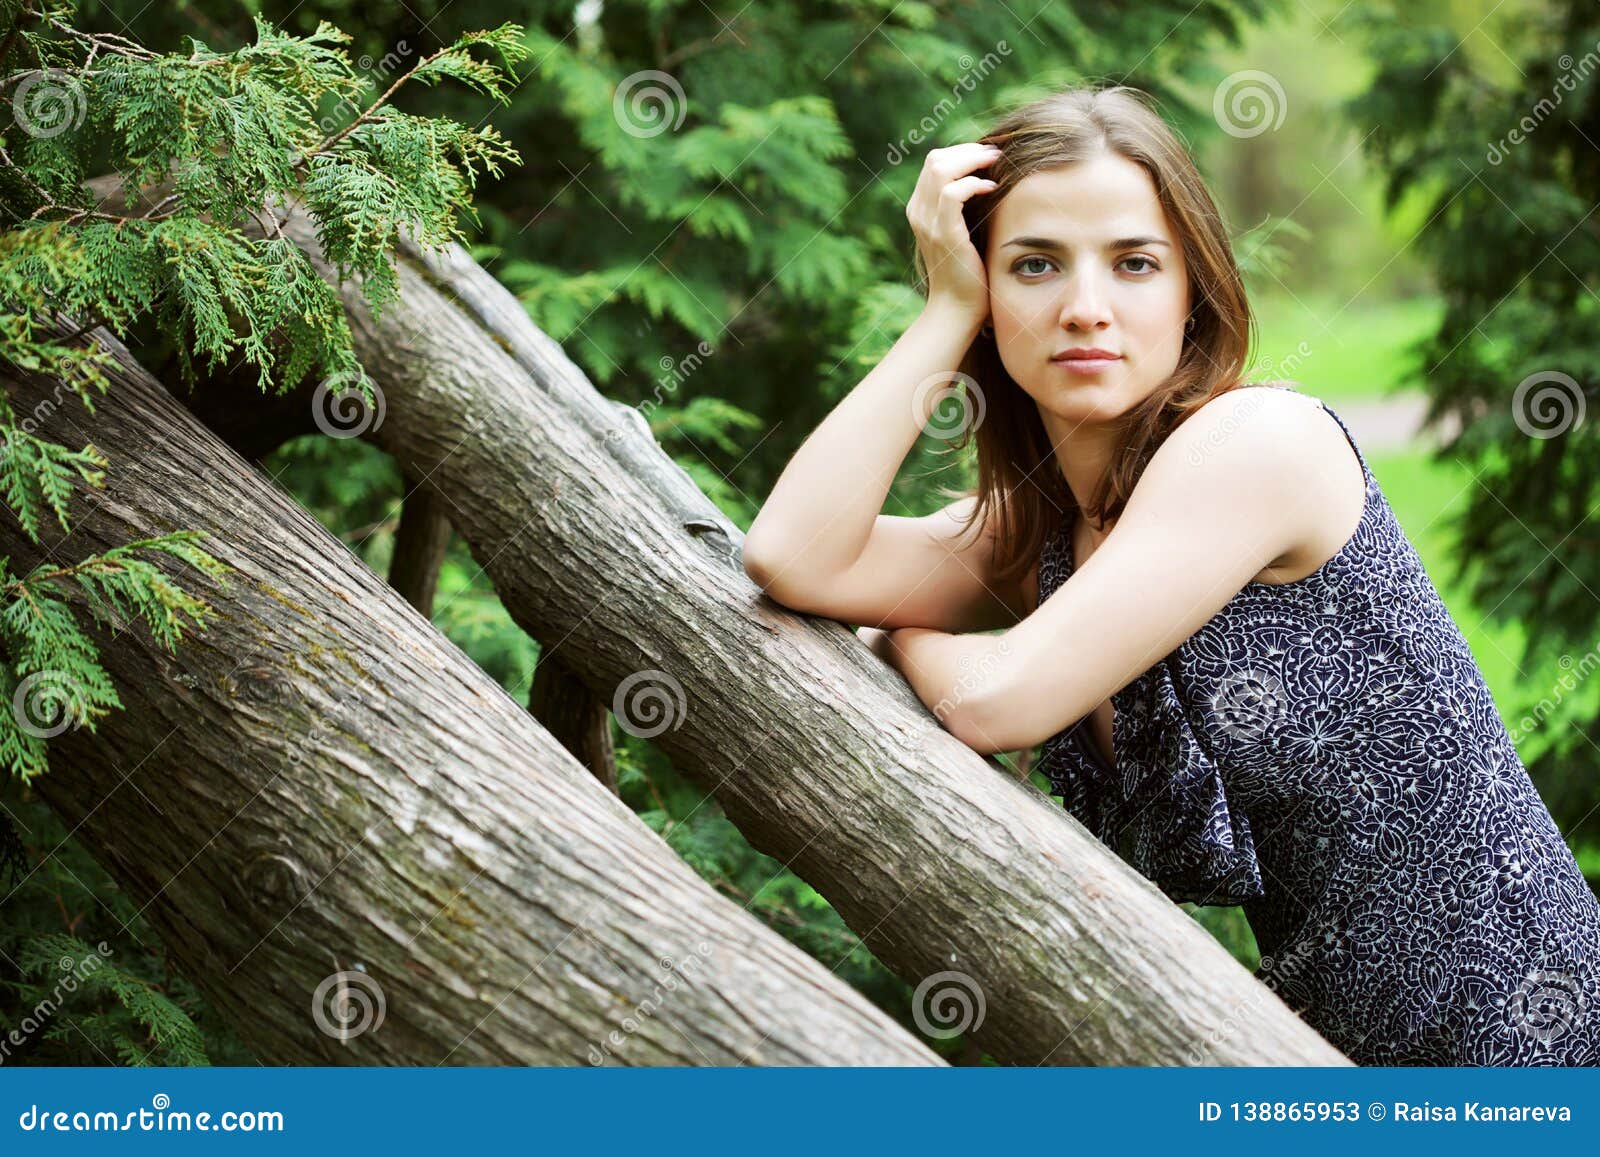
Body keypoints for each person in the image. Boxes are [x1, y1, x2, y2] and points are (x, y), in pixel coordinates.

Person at [741, 83, 1600, 1066]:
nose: (1084, 308)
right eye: (1032, 266)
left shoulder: (1257, 444)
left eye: (1134, 263)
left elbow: (996, 700)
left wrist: (903, 636)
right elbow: (792, 555)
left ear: (1192, 289)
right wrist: (943, 308)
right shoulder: (1053, 535)